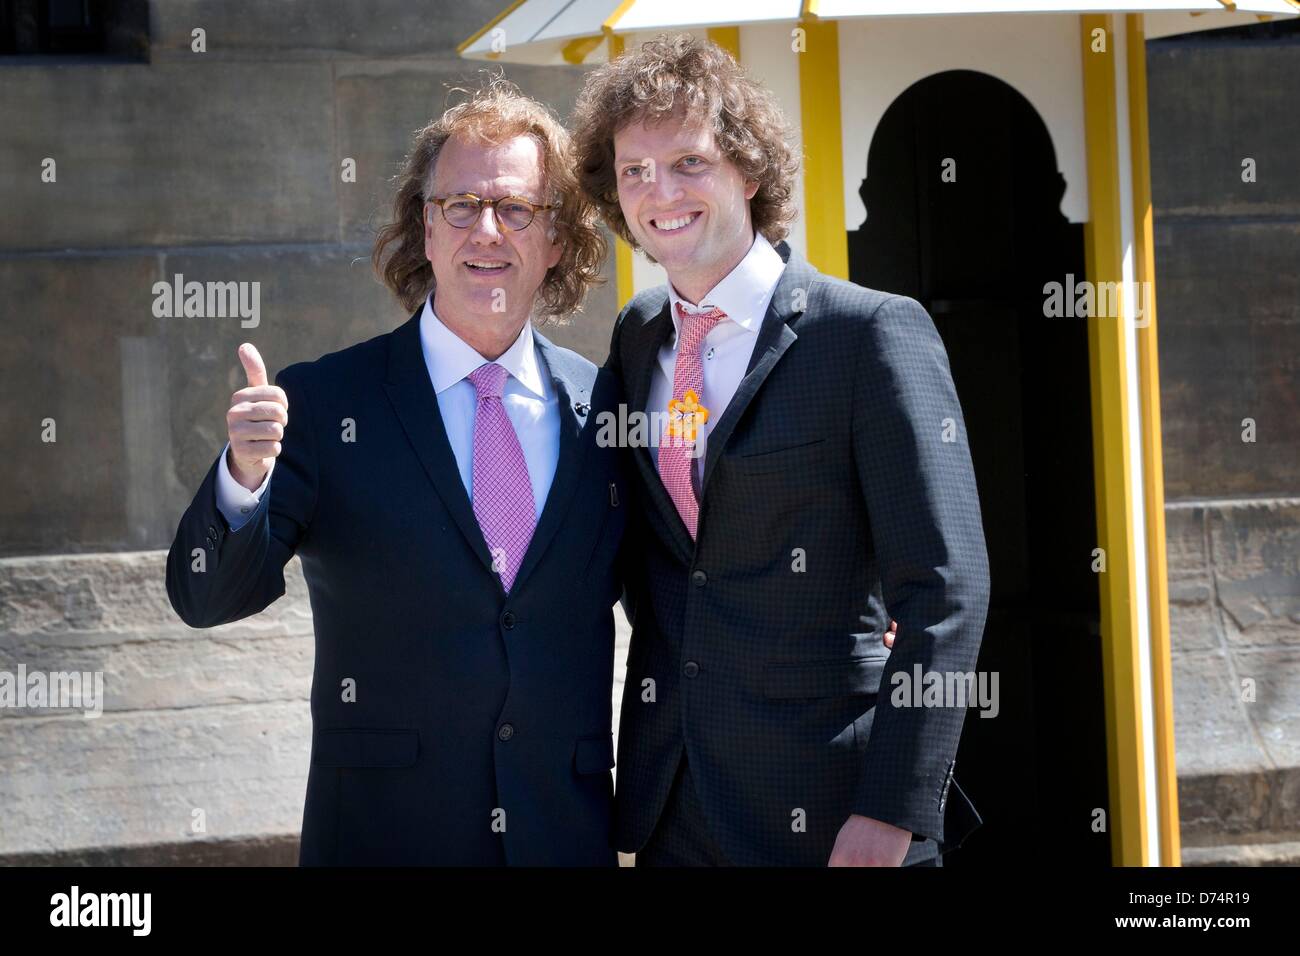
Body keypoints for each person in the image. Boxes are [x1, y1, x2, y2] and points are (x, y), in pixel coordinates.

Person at [166, 76, 627, 865]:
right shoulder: (325, 401)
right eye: (461, 206)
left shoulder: (609, 411)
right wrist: (244, 476)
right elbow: (207, 597)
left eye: (516, 209)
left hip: (563, 835)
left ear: (556, 240)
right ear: (427, 227)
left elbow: (682, 598)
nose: (487, 230)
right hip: (384, 837)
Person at [572, 34, 991, 866]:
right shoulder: (635, 337)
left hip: (838, 810)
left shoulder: (868, 334)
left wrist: (895, 810)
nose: (660, 192)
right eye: (634, 171)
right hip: (672, 808)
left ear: (750, 170)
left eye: (689, 162)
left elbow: (947, 590)